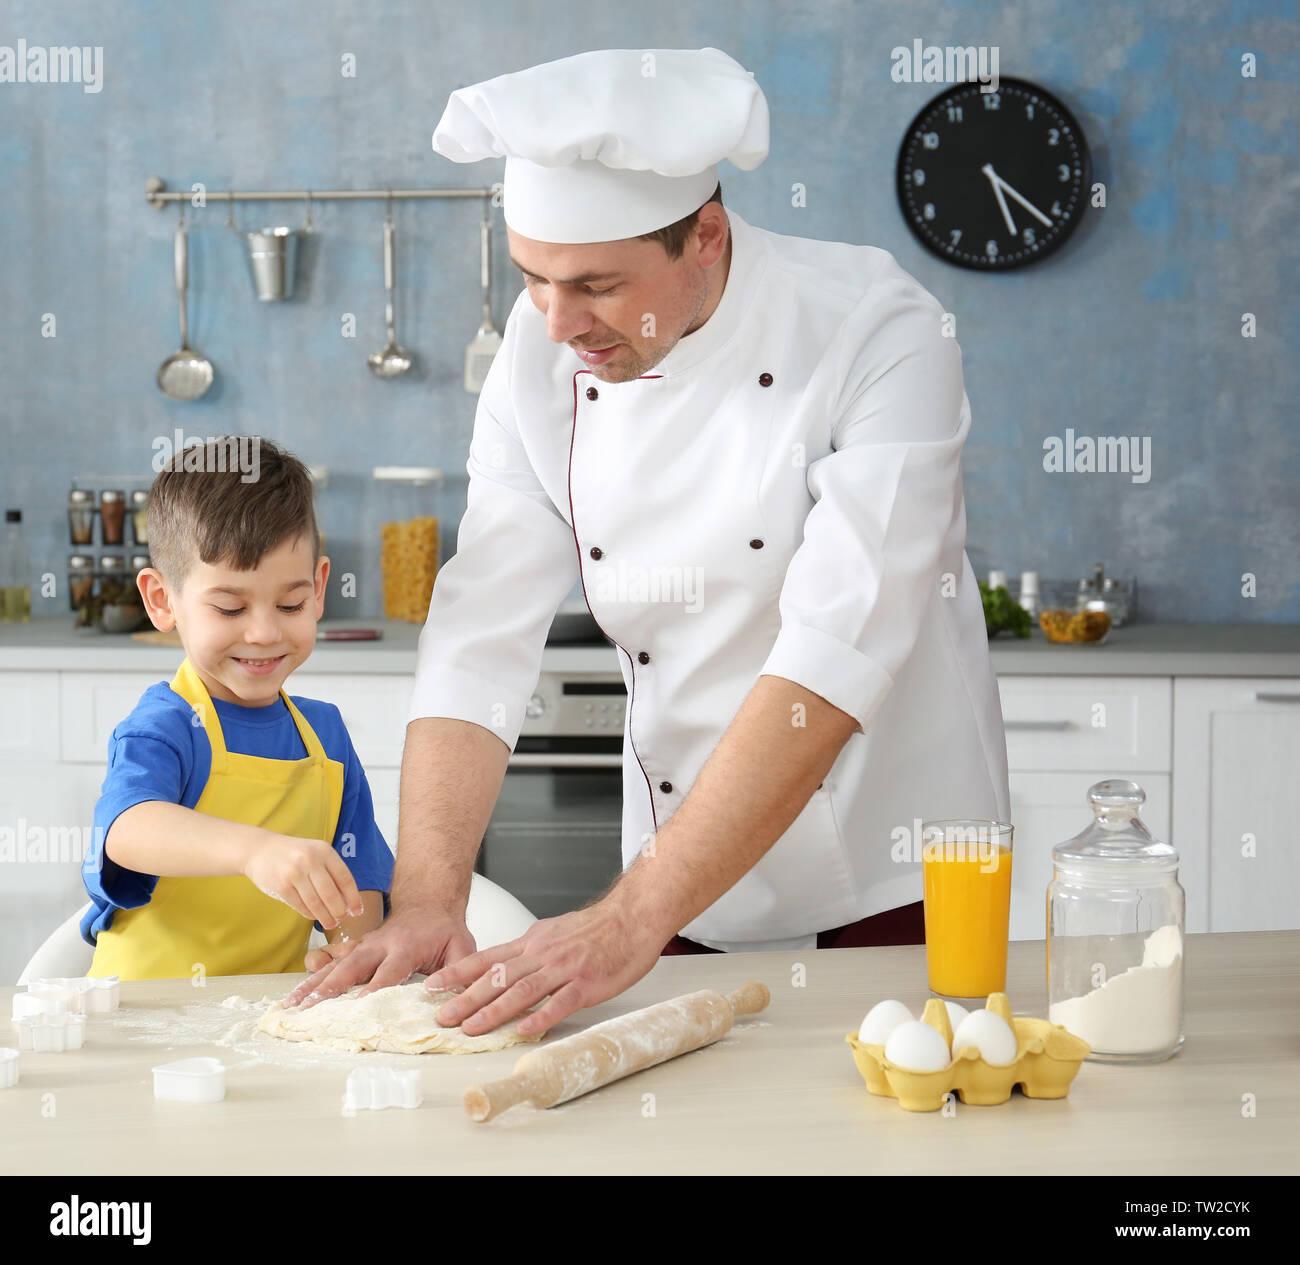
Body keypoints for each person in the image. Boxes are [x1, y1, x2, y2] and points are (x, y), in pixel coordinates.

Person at [289, 47, 1009, 1037]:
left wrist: (629, 913)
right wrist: (427, 895)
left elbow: (838, 647)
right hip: (682, 870)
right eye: (531, 279)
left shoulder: (876, 331)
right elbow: (477, 635)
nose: (555, 324)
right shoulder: (538, 368)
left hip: (898, 867)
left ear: (705, 236)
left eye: (593, 284)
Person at [81, 438, 393, 980]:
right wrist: (254, 852)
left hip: (265, 1024)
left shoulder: (326, 736)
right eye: (230, 607)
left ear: (320, 589)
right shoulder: (168, 725)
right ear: (161, 601)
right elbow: (127, 829)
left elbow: (357, 873)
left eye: (291, 604)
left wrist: (350, 950)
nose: (264, 632)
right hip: (146, 1021)